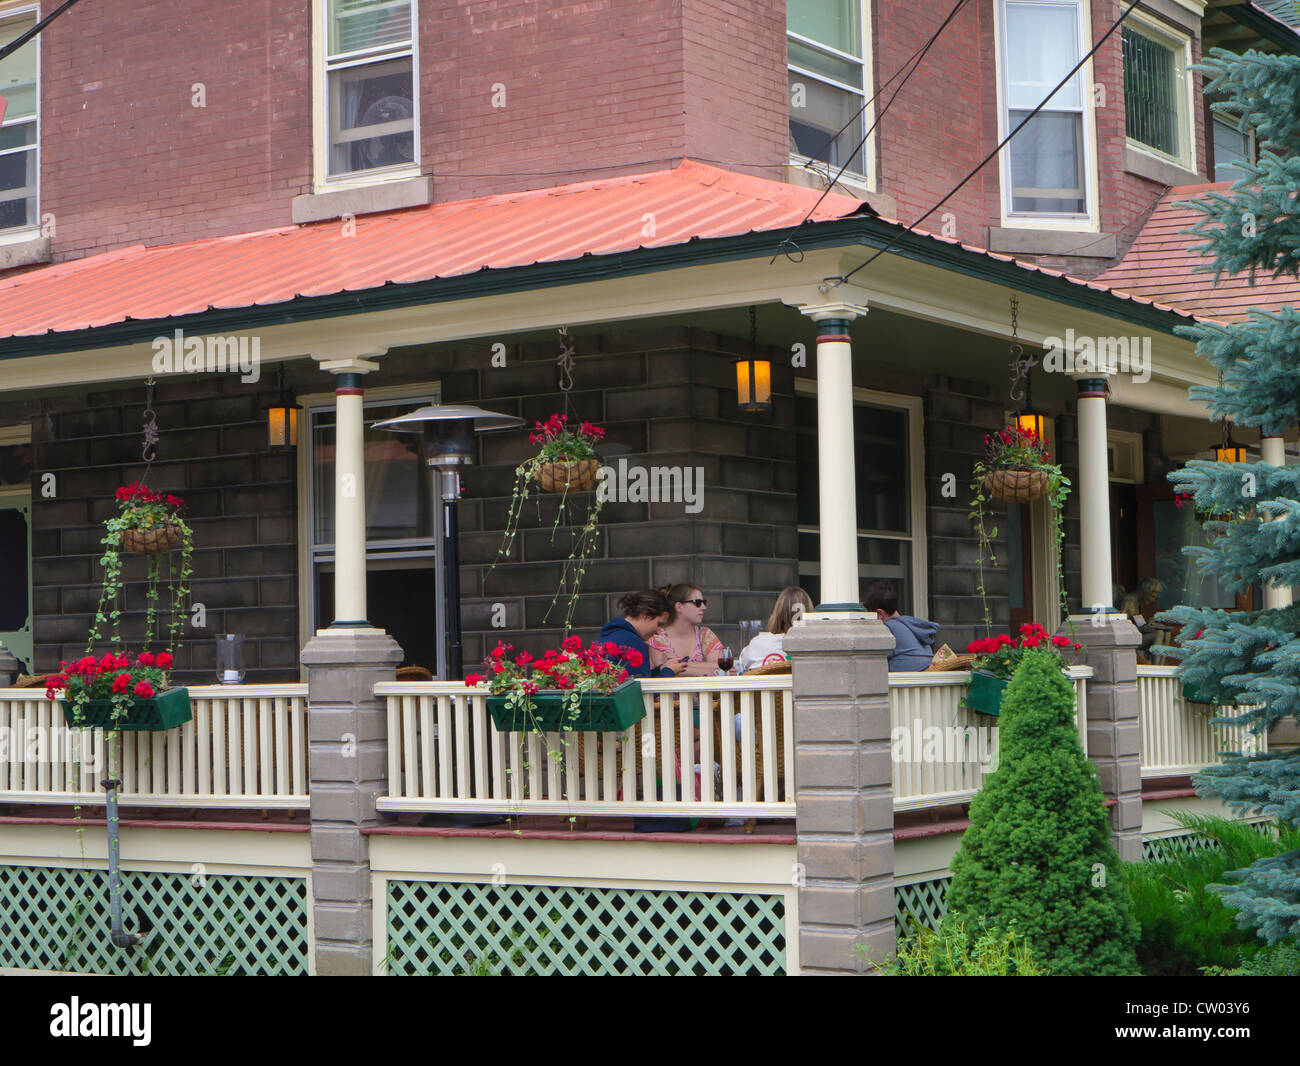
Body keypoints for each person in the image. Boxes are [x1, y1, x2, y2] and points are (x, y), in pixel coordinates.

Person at [599, 590, 687, 678]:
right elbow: (641, 688)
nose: (658, 631)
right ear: (645, 614)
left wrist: (662, 669)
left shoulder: (610, 633)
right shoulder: (633, 641)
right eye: (659, 624)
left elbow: (633, 678)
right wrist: (669, 672)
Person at [648, 583, 725, 676]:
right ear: (679, 606)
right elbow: (667, 673)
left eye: (704, 602)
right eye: (697, 603)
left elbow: (722, 667)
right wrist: (706, 670)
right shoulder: (657, 637)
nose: (704, 607)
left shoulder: (705, 634)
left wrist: (680, 664)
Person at [863, 578, 939, 671]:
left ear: (880, 614)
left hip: (905, 683)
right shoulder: (911, 625)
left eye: (867, 614)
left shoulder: (888, 629)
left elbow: (868, 663)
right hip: (926, 681)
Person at [737, 586, 813, 673]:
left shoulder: (756, 644)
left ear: (777, 613)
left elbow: (742, 665)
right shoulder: (811, 647)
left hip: (764, 686)